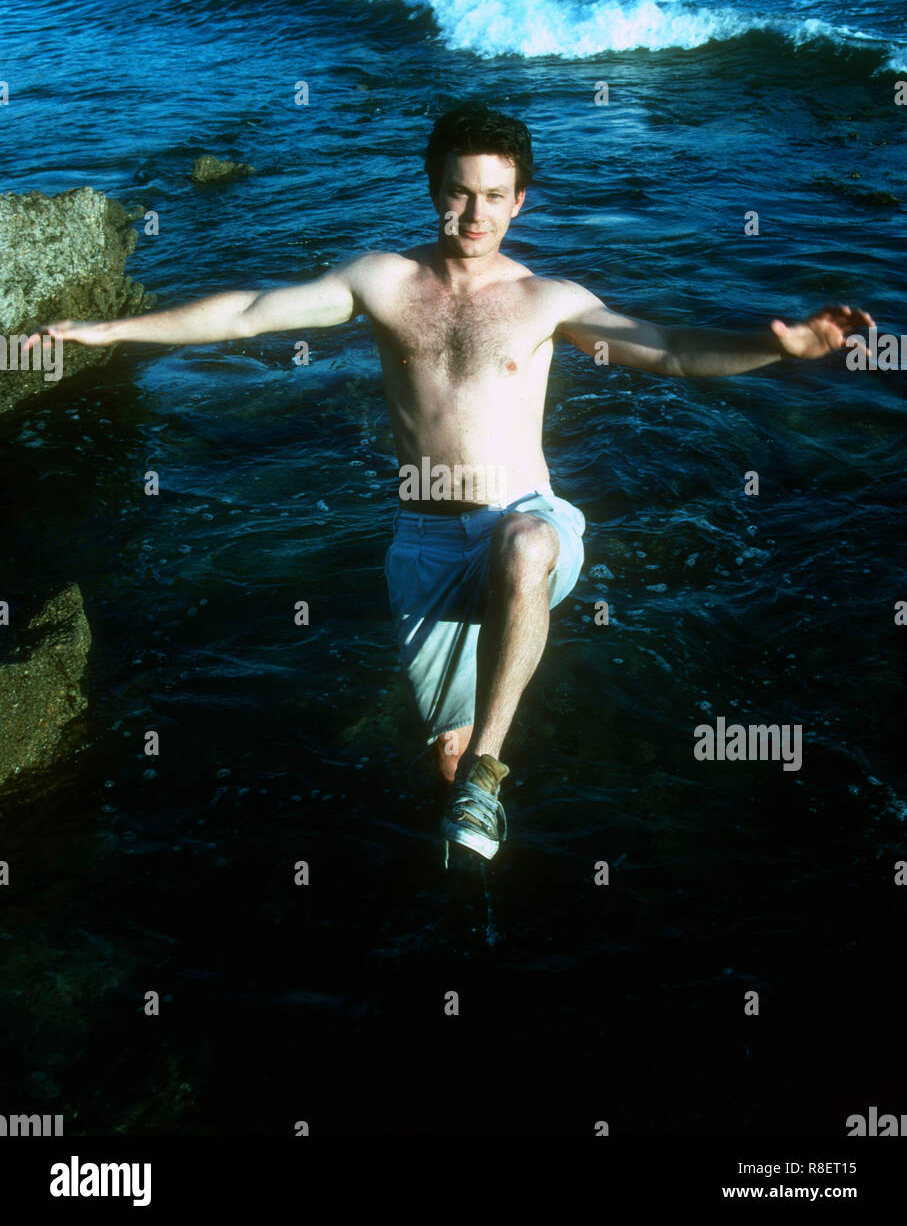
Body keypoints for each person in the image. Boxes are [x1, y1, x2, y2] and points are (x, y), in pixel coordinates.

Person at [25, 101, 875, 866]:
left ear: (520, 201)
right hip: (425, 542)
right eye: (460, 193)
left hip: (523, 516)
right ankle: (471, 864)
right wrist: (106, 332)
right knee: (445, 765)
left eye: (494, 196)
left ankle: (489, 769)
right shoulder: (382, 282)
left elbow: (670, 349)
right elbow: (248, 312)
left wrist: (773, 348)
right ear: (433, 188)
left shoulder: (548, 300)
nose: (475, 214)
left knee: (524, 546)